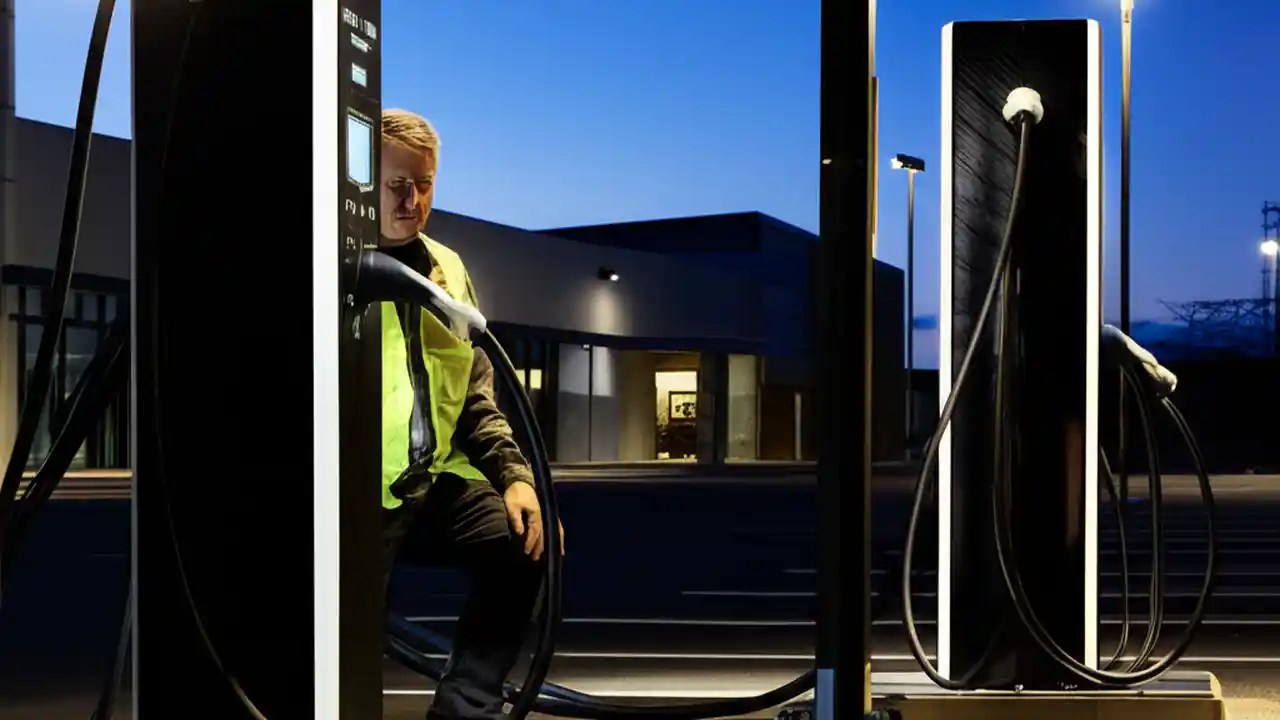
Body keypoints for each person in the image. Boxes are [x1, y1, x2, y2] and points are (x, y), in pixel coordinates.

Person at [377, 107, 562, 720]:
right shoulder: (329, 268)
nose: (412, 200)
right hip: (354, 498)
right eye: (395, 184)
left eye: (424, 183)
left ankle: (465, 711)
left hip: (432, 483)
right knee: (336, 639)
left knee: (528, 542)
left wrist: (515, 477)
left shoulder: (448, 269)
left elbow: (477, 394)